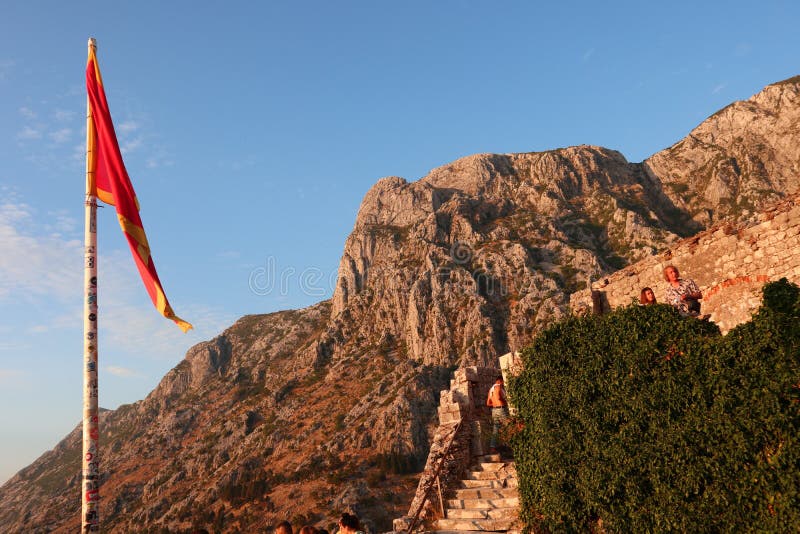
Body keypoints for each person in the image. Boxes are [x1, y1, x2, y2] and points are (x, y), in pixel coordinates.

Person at [486, 376, 509, 454]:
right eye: (503, 382)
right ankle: (509, 446)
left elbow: (488, 403)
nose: (503, 383)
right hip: (502, 409)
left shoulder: (491, 389)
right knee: (508, 426)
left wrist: (495, 404)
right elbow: (499, 397)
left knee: (496, 429)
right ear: (500, 381)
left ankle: (492, 447)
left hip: (494, 410)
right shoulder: (499, 387)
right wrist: (505, 401)